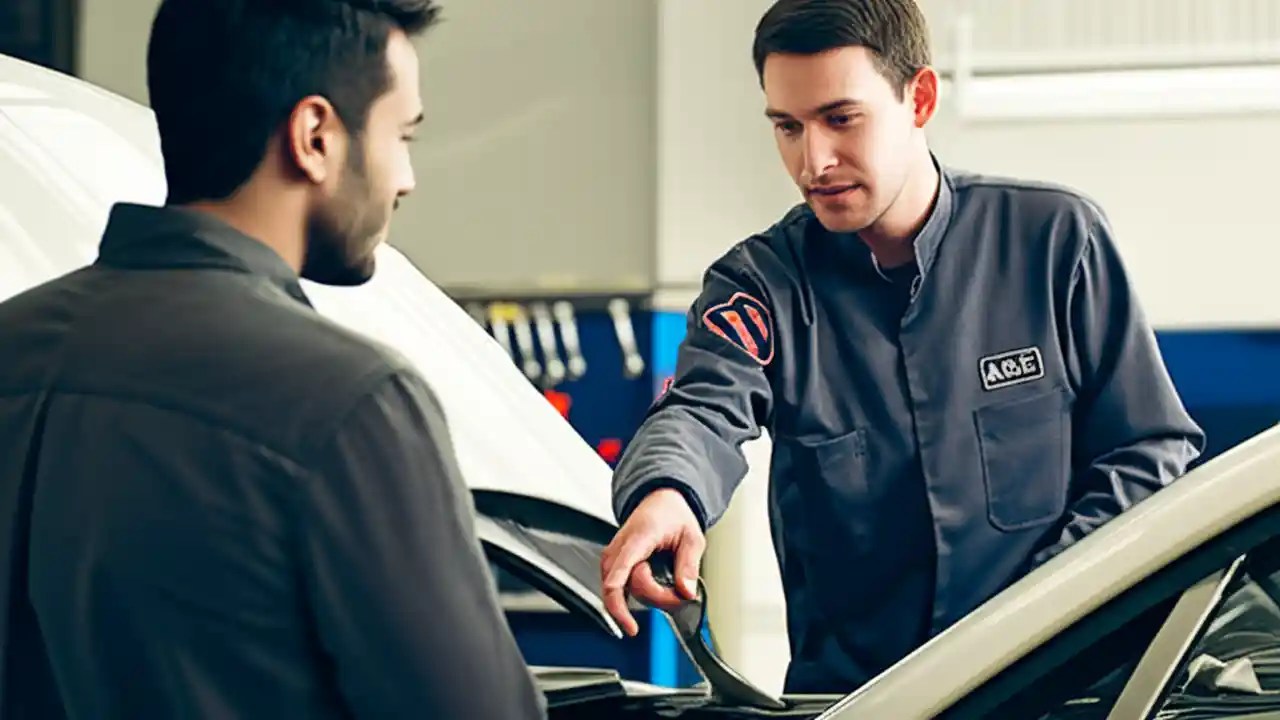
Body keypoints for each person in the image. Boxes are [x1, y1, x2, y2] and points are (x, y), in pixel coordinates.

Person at [600, 0, 1205, 695]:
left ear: (918, 99)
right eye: (787, 127)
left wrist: (1048, 612)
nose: (813, 160)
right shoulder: (761, 284)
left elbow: (1149, 451)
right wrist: (667, 493)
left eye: (840, 118)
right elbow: (704, 408)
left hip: (1065, 693)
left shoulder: (1054, 243)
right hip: (863, 702)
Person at [0, 1, 546, 718]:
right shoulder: (353, 400)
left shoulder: (15, 343)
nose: (406, 178)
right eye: (402, 135)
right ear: (314, 136)